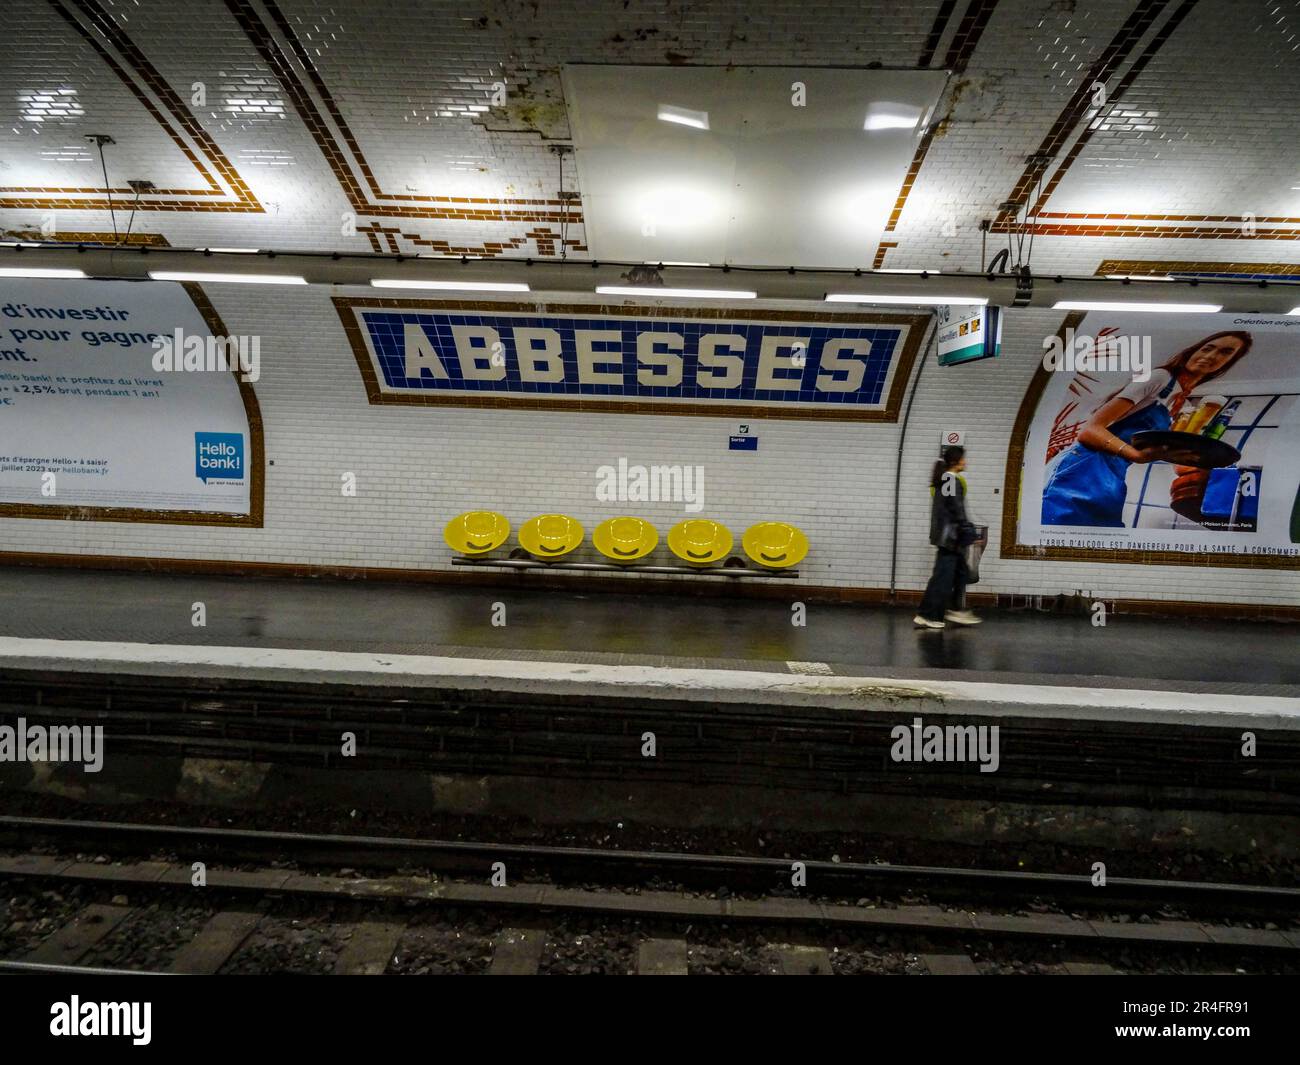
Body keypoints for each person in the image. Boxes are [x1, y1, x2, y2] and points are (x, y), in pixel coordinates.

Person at [1041, 331, 1252, 527]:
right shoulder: (1158, 377)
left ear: (1228, 362)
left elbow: (1146, 447)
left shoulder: (1178, 400)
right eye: (1208, 347)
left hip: (1113, 476)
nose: (1212, 355)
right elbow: (1089, 431)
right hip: (1081, 467)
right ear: (1194, 350)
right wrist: (1138, 455)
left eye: (1225, 352)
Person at [915, 446, 980, 630]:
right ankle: (929, 615)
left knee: (960, 574)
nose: (965, 462)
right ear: (956, 461)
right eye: (963, 459)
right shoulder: (951, 481)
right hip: (951, 539)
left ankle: (956, 609)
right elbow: (956, 510)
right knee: (943, 579)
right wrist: (969, 530)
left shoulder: (945, 480)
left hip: (949, 537)